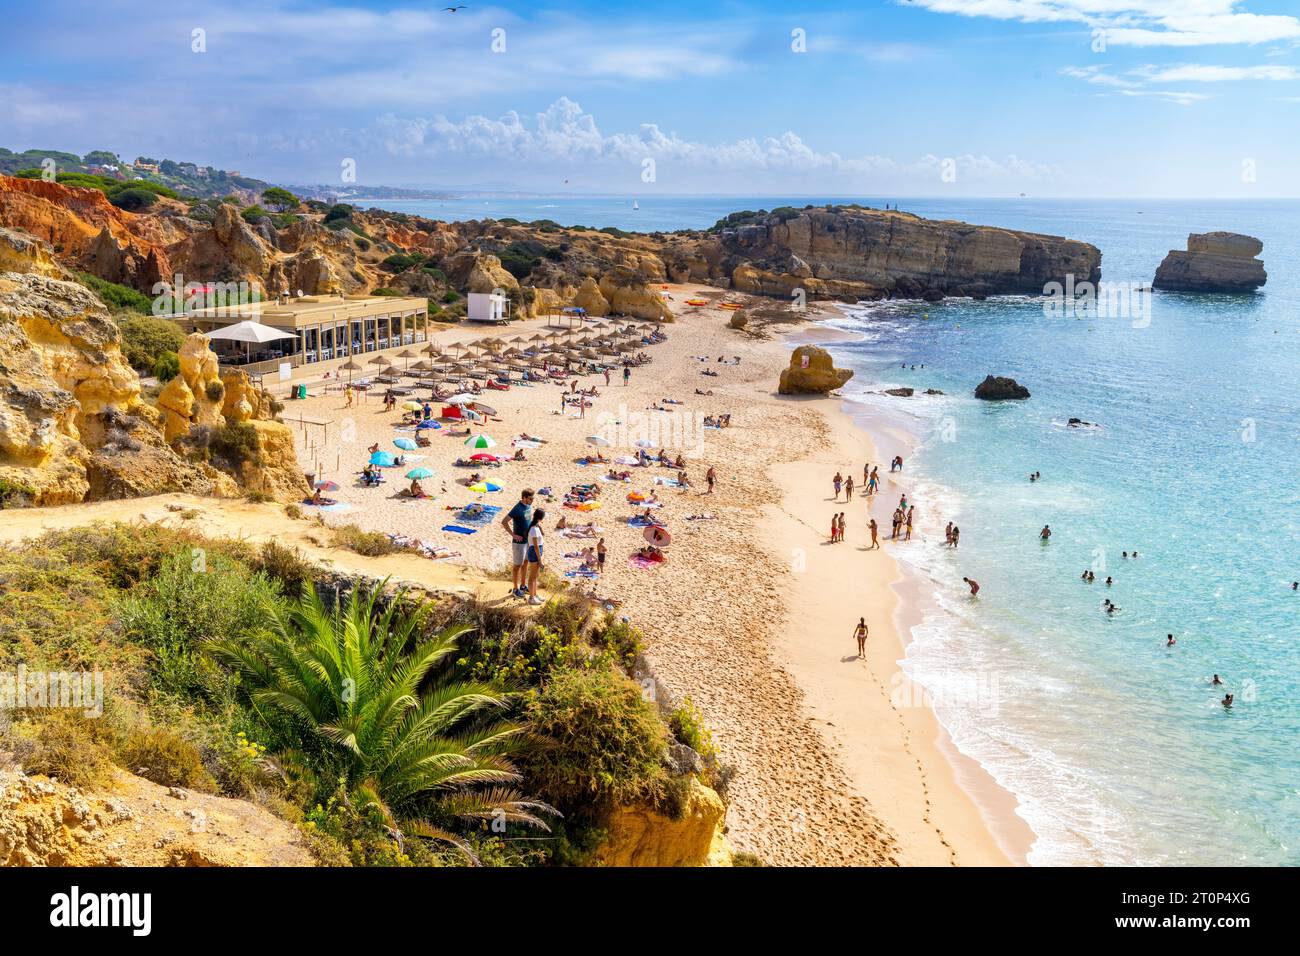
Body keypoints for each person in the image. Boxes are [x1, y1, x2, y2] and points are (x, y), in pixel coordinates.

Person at [500, 488, 536, 598]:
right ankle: (515, 589)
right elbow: (504, 521)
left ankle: (523, 586)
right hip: (518, 542)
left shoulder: (529, 506)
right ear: (524, 498)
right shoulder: (517, 508)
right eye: (530, 498)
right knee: (517, 565)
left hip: (528, 540)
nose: (532, 500)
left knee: (525, 563)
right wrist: (513, 535)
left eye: (533, 498)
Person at [525, 509, 547, 605]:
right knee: (532, 577)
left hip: (537, 552)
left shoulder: (536, 527)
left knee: (536, 576)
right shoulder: (533, 529)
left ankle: (535, 594)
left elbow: (543, 535)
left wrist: (540, 526)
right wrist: (540, 560)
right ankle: (531, 597)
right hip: (535, 553)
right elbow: (535, 546)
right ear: (540, 518)